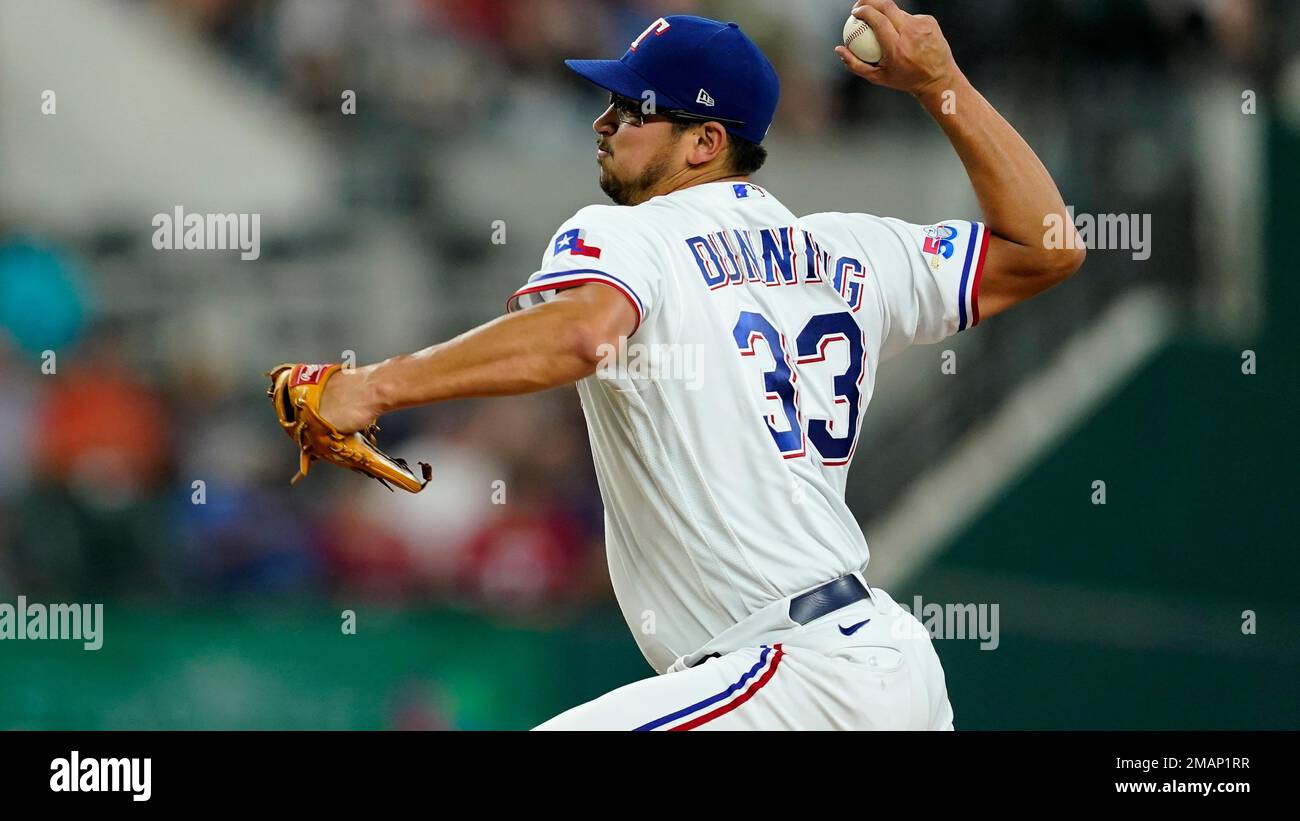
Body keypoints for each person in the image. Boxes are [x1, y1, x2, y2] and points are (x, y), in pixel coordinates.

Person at [313, 2, 1085, 729]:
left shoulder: (637, 235)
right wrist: (943, 88)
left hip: (795, 669)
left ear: (706, 142)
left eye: (633, 108)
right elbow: (1046, 244)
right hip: (873, 669)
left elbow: (583, 333)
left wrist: (372, 384)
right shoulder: (850, 250)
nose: (604, 121)